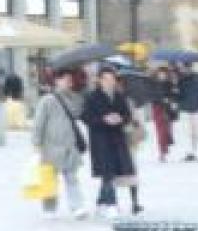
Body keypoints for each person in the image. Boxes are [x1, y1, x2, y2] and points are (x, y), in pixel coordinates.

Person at [82, 64, 144, 216]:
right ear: (99, 80)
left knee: (112, 172)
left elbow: (127, 115)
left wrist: (120, 119)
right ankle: (111, 204)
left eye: (112, 79)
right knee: (107, 170)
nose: (110, 82)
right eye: (106, 79)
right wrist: (104, 119)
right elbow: (86, 117)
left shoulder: (119, 96)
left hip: (117, 138)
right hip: (100, 139)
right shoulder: (92, 97)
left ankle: (101, 203)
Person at [31, 67, 89, 216]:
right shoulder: (47, 100)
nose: (68, 83)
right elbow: (39, 123)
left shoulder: (74, 98)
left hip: (69, 146)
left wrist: (82, 91)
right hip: (50, 146)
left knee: (72, 178)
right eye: (65, 79)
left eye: (70, 80)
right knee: (50, 178)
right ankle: (49, 208)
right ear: (57, 81)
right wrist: (36, 143)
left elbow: (79, 113)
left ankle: (77, 207)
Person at [175, 62, 198, 159]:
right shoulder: (180, 79)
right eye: (183, 68)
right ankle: (189, 152)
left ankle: (193, 151)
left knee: (196, 131)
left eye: (186, 68)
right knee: (186, 132)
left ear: (190, 67)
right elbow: (177, 94)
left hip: (197, 108)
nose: (185, 70)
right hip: (184, 109)